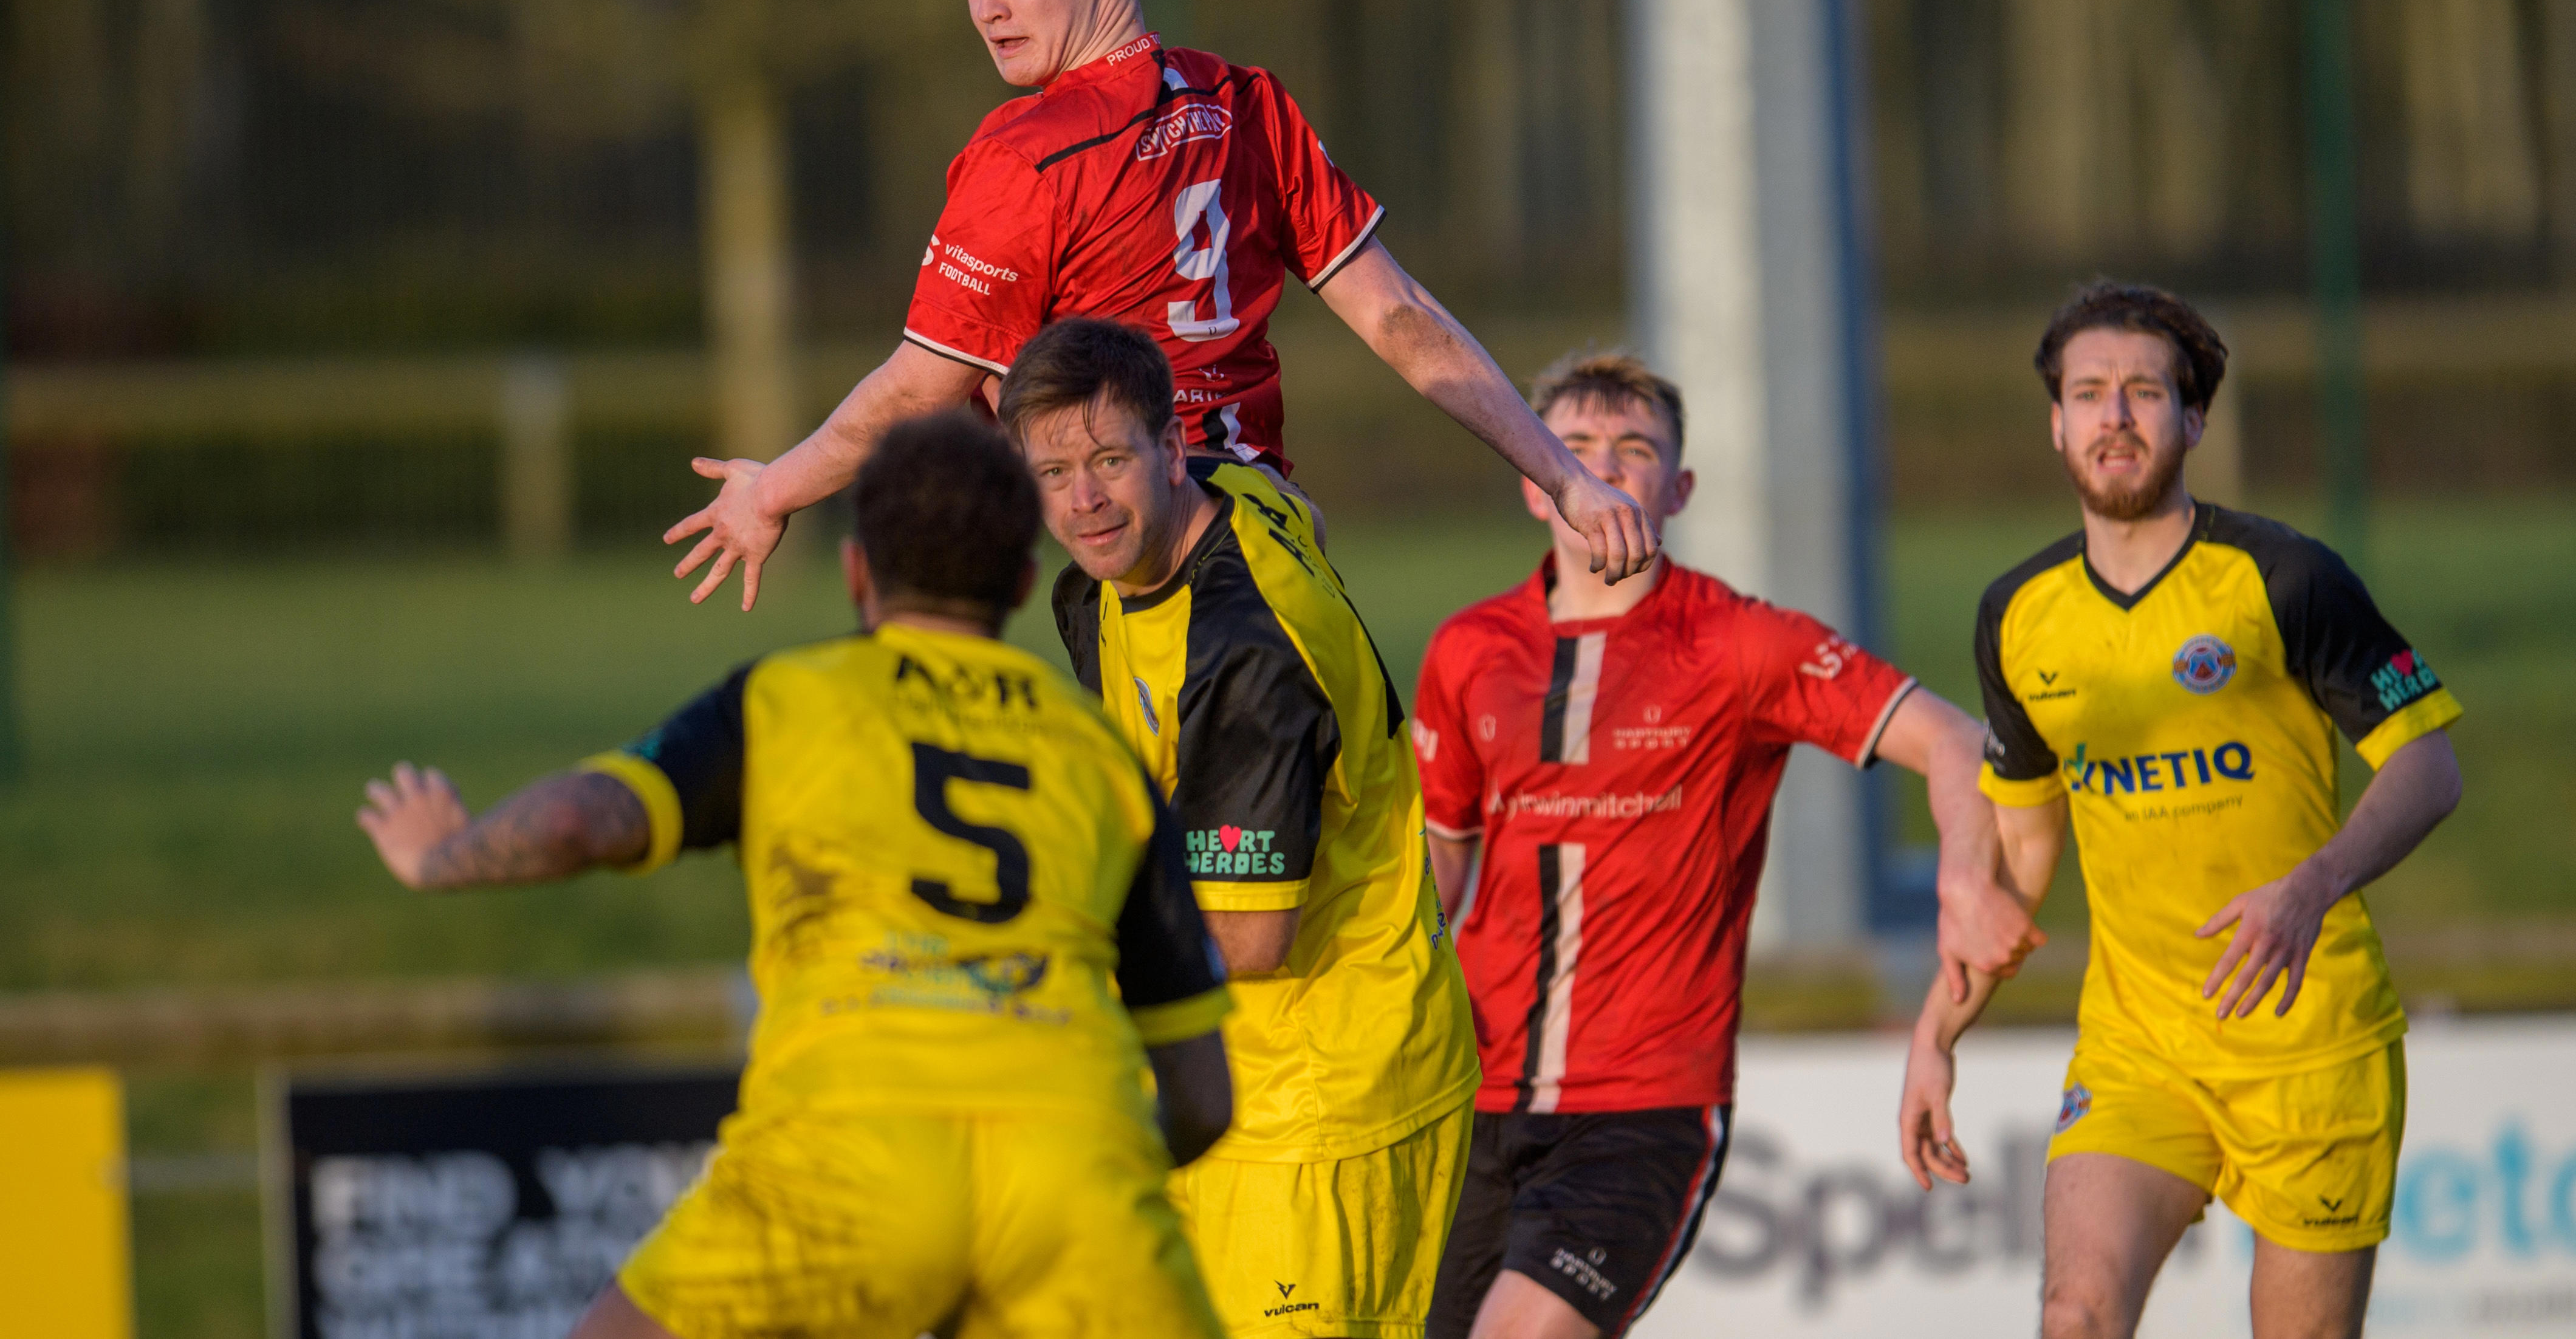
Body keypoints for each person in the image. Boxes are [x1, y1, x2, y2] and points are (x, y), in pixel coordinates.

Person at [355, 411, 1238, 1339]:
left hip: (848, 1156)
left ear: (859, 572)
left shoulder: (787, 701)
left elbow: (581, 820)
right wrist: (1100, 1169)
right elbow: (1205, 1099)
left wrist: (438, 854)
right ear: (1021, 582)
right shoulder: (1100, 756)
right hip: (1070, 1165)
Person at [666, 0, 1654, 612]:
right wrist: (1563, 477)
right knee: (1288, 861)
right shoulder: (1246, 102)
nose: (987, 6)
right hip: (1281, 552)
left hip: (1166, 569)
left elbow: (922, 385)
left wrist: (773, 489)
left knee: (1213, 864)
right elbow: (1398, 318)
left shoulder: (1026, 154)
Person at [1410, 351, 2040, 1339]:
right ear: (1533, 483)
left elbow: (1958, 742)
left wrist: (1965, 879)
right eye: (1571, 450)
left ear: (1681, 488)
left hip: (1642, 1112)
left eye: (1635, 451)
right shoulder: (1468, 649)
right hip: (1469, 1102)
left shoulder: (1740, 644)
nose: (1604, 471)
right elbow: (1434, 875)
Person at [1897, 282, 2465, 1339]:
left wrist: (2311, 887)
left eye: (2145, 393)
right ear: (2056, 424)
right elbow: (2021, 857)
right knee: (2076, 1316)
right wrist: (1937, 1034)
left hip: (2310, 1047)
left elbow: (2430, 769)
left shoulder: (2286, 578)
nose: (2115, 416)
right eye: (2090, 393)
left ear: (2192, 421)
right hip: (2139, 1048)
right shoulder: (2017, 616)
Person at [1001, 317, 1479, 1339]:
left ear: (1173, 452)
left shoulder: (1246, 656)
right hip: (1216, 1082)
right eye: (1052, 473)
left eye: (1110, 461)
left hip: (1323, 1105)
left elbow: (1252, 941)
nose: (1083, 500)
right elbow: (1290, 499)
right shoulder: (1132, 558)